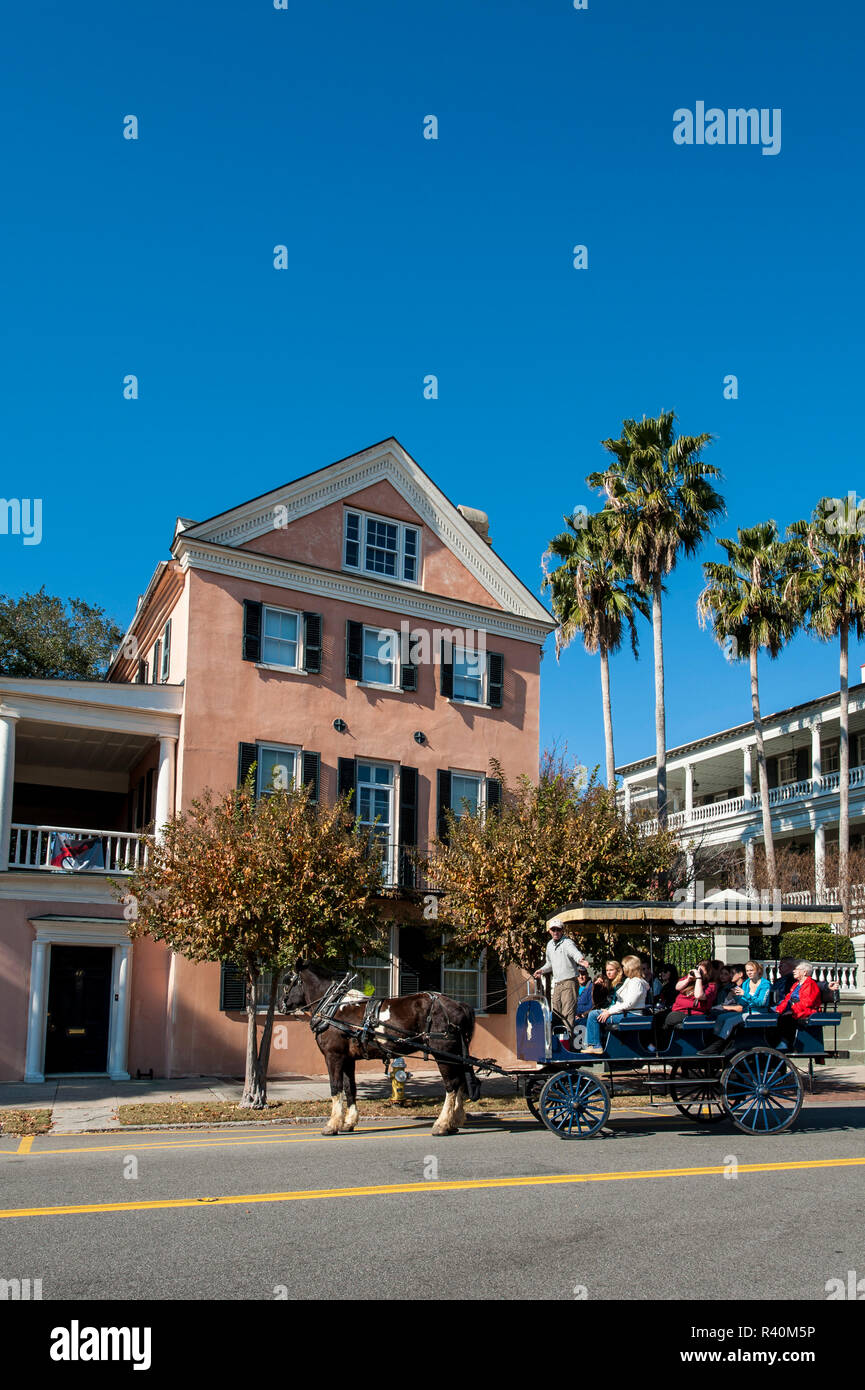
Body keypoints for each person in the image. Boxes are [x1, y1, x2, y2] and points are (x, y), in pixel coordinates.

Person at [699, 961, 771, 1055]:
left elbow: (761, 1002)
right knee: (721, 1017)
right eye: (747, 971)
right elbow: (743, 1002)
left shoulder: (765, 984)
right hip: (746, 1011)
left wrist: (745, 994)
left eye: (751, 970)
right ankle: (716, 1041)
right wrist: (736, 996)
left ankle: (719, 1045)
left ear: (758, 971)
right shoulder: (746, 983)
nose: (749, 973)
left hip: (758, 1012)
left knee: (730, 1021)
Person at [583, 955, 650, 1053]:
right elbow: (621, 1002)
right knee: (595, 1013)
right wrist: (608, 1010)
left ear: (630, 967)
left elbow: (629, 1004)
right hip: (626, 1013)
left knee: (593, 1015)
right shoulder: (630, 981)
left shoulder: (636, 982)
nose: (623, 969)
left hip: (632, 1015)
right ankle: (593, 1045)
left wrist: (609, 1012)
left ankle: (595, 1045)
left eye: (624, 966)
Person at [533, 918, 588, 1033]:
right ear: (549, 931)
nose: (556, 932)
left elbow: (574, 953)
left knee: (568, 1013)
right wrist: (541, 971)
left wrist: (580, 959)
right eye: (553, 929)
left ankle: (568, 1042)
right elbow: (549, 964)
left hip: (569, 982)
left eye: (558, 929)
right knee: (556, 1013)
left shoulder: (567, 942)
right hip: (557, 983)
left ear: (562, 931)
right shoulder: (549, 945)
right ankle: (557, 1040)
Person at [655, 960, 719, 1045]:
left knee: (669, 1018)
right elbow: (677, 987)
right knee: (657, 1017)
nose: (698, 972)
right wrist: (688, 979)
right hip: (678, 1009)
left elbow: (699, 995)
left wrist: (699, 979)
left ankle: (663, 1044)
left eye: (701, 971)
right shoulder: (690, 980)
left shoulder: (711, 986)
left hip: (692, 1013)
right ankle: (655, 1045)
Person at [771, 961, 822, 1051]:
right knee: (774, 1016)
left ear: (805, 972)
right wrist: (779, 1009)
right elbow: (787, 999)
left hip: (807, 1011)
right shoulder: (795, 985)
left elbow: (807, 1003)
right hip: (796, 1009)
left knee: (786, 1018)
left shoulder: (810, 984)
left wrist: (792, 1010)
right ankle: (774, 1041)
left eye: (797, 969)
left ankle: (785, 1042)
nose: (794, 971)